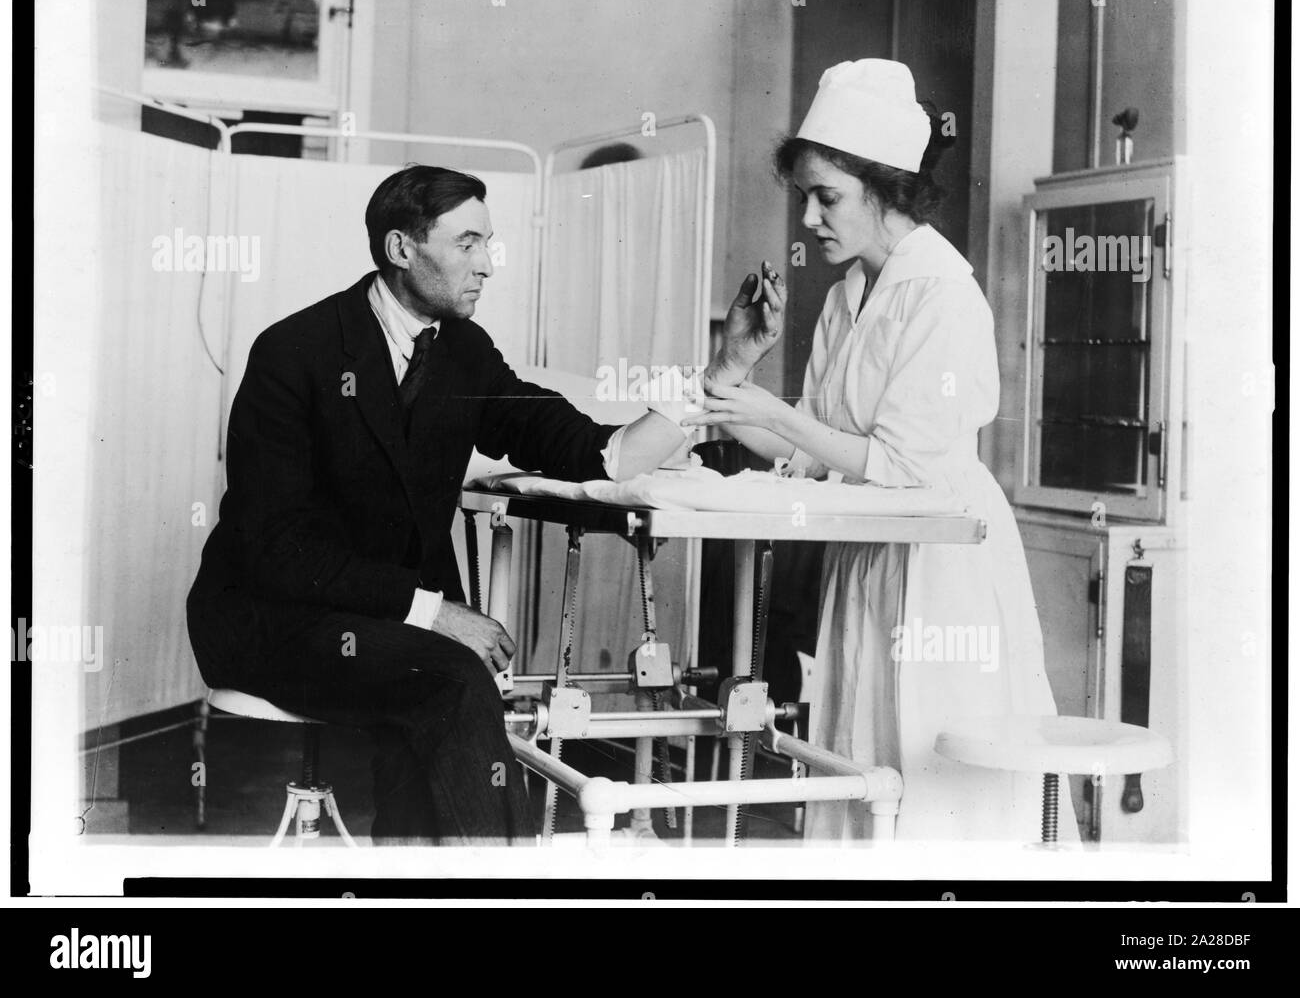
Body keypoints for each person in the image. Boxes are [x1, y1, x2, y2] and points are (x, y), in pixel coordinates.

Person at [187, 165, 686, 845]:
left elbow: (591, 450)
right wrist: (434, 611)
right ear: (402, 250)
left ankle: (419, 869)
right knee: (448, 676)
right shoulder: (293, 352)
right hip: (270, 619)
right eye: (468, 244)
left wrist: (716, 379)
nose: (487, 266)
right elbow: (275, 547)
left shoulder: (463, 353)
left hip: (381, 624)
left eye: (487, 245)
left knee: (434, 679)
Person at [686, 59, 1064, 842]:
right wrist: (733, 372)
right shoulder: (846, 294)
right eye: (805, 199)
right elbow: (815, 453)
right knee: (861, 763)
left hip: (942, 561)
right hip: (867, 555)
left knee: (936, 764)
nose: (809, 220)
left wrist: (781, 420)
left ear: (886, 189)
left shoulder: (944, 294)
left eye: (827, 197)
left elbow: (902, 462)